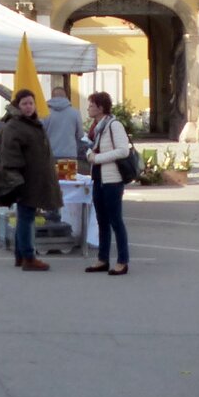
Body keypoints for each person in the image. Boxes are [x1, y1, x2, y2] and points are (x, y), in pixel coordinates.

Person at [0, 88, 60, 272]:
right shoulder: (15, 126)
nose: (28, 107)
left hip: (33, 180)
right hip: (24, 181)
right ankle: (28, 257)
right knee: (26, 218)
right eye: (24, 103)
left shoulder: (32, 124)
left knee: (25, 217)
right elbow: (9, 157)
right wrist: (16, 181)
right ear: (17, 106)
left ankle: (21, 255)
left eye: (31, 103)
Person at [84, 90, 132, 275]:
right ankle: (102, 259)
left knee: (115, 221)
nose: (88, 108)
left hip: (112, 180)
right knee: (101, 220)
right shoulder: (97, 127)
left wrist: (98, 158)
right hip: (98, 178)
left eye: (91, 105)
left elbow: (123, 151)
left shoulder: (114, 125)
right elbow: (94, 151)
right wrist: (90, 154)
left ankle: (122, 261)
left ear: (101, 107)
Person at [42, 85, 85, 164]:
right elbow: (80, 135)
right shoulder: (75, 113)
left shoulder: (44, 113)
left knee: (51, 177)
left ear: (52, 96)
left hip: (49, 156)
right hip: (69, 156)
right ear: (66, 96)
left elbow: (40, 134)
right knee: (67, 176)